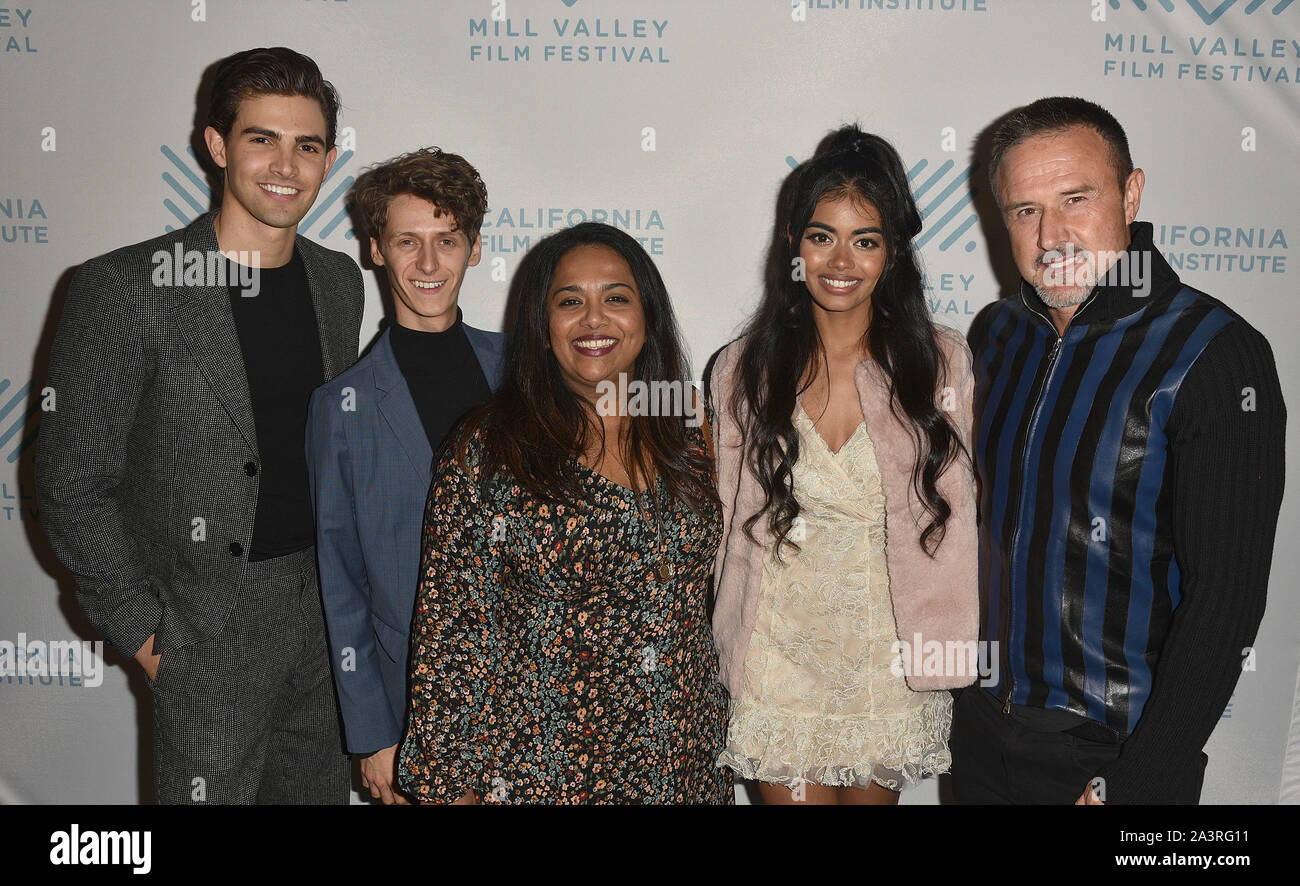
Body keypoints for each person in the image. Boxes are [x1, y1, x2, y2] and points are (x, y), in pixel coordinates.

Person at [35, 47, 363, 804]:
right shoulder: (127, 288)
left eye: (307, 145)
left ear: (328, 160)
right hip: (204, 624)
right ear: (217, 147)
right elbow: (72, 484)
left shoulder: (338, 283)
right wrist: (152, 639)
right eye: (262, 139)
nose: (286, 165)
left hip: (322, 617)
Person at [955, 97, 1286, 804]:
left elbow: (1225, 598)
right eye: (1024, 210)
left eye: (1076, 198)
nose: (1052, 235)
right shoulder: (996, 334)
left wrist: (1141, 778)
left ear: (1131, 193)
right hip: (978, 737)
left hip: (1111, 754)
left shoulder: (1217, 354)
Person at [397, 222, 732, 804]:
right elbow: (453, 642)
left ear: (646, 315)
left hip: (682, 764)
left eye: (616, 299)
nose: (594, 320)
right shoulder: (487, 449)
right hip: (540, 772)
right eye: (570, 301)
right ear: (541, 324)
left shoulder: (693, 435)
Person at [707, 125, 980, 805]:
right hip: (777, 651)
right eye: (821, 235)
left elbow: (963, 517)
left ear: (892, 254)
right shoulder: (744, 368)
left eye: (866, 240)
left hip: (887, 653)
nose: (841, 259)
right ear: (793, 245)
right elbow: (719, 515)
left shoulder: (940, 361)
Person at [306, 148, 505, 805]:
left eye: (446, 241)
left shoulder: (528, 372)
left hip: (541, 698)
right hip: (418, 706)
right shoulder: (342, 407)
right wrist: (373, 734)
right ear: (375, 250)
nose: (427, 264)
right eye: (407, 242)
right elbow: (341, 582)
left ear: (473, 249)